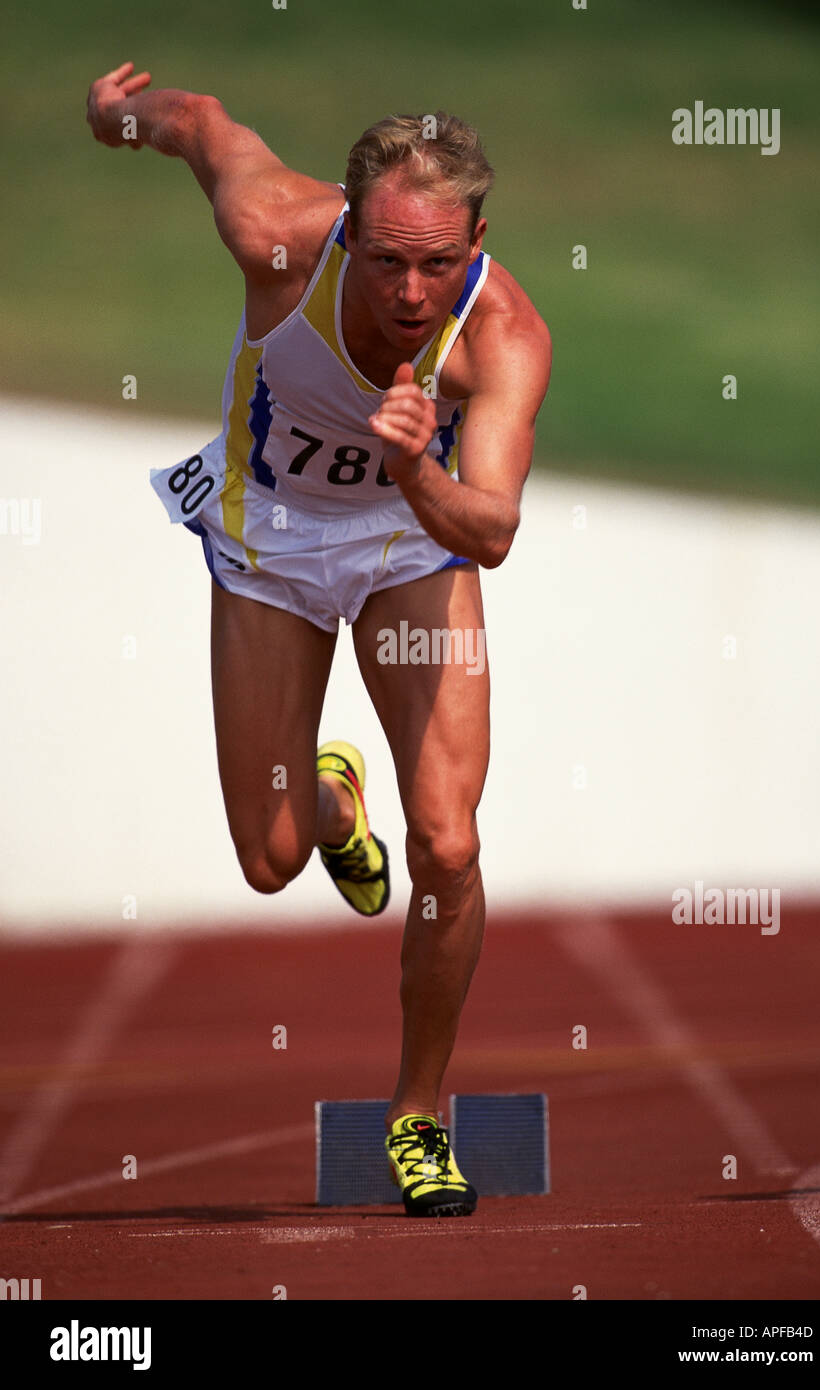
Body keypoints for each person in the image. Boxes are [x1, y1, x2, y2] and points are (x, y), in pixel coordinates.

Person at [87, 62, 552, 1217]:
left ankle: (415, 1116)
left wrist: (407, 467)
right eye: (386, 257)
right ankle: (333, 802)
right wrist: (120, 117)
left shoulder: (502, 334)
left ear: (476, 240)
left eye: (437, 262)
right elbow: (200, 126)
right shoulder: (276, 235)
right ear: (345, 227)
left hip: (413, 538)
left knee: (447, 844)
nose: (408, 289)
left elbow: (488, 531)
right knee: (270, 857)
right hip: (274, 540)